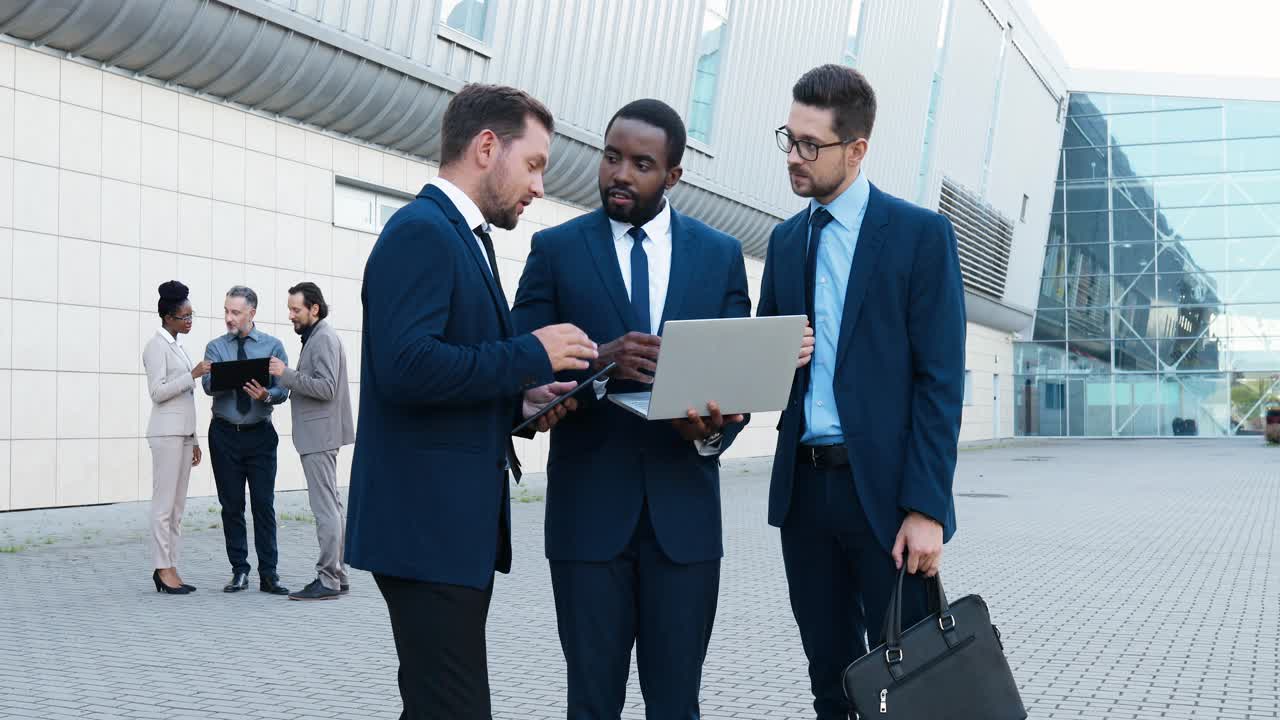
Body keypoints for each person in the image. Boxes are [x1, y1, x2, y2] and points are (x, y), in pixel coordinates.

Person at [344, 83, 598, 720]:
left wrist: (521, 401)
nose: (539, 187)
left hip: (446, 530)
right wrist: (529, 355)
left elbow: (446, 369)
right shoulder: (423, 232)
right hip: (425, 528)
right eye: (535, 164)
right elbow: (404, 367)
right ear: (488, 146)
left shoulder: (461, 236)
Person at [511, 99, 752, 719]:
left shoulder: (719, 254)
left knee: (677, 706)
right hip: (588, 521)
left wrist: (711, 431)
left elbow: (739, 382)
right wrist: (597, 362)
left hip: (685, 522)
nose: (621, 174)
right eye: (612, 157)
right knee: (592, 704)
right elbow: (520, 368)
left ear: (673, 176)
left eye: (642, 164)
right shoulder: (555, 249)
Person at [758, 64, 966, 720]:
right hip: (805, 497)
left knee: (913, 687)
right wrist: (765, 360)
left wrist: (926, 508)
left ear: (857, 150)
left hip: (888, 501)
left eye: (809, 145)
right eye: (788, 138)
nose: (794, 156)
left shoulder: (918, 236)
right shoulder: (787, 241)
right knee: (831, 679)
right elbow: (764, 363)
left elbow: (941, 382)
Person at [265, 282, 356, 601]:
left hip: (319, 435)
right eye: (289, 309)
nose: (291, 315)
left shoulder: (323, 339)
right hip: (321, 434)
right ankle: (338, 575)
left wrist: (285, 374)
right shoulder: (319, 337)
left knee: (325, 509)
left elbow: (326, 388)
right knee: (332, 504)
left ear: (314, 308)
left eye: (295, 309)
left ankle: (328, 578)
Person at [202, 285, 292, 596]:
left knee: (264, 505)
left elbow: (283, 390)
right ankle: (239, 570)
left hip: (260, 435)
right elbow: (208, 385)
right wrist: (228, 379)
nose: (228, 317)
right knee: (231, 505)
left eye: (235, 312)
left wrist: (266, 394)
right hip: (225, 434)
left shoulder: (272, 346)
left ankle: (269, 574)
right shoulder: (215, 347)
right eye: (226, 311)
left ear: (251, 314)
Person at [143, 280, 212, 595]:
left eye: (191, 314)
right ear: (168, 317)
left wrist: (195, 439)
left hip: (183, 434)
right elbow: (157, 393)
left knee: (178, 507)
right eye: (184, 316)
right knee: (164, 506)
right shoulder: (155, 347)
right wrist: (193, 375)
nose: (189, 320)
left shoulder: (177, 346)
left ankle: (172, 565)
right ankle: (162, 568)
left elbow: (185, 399)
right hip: (166, 433)